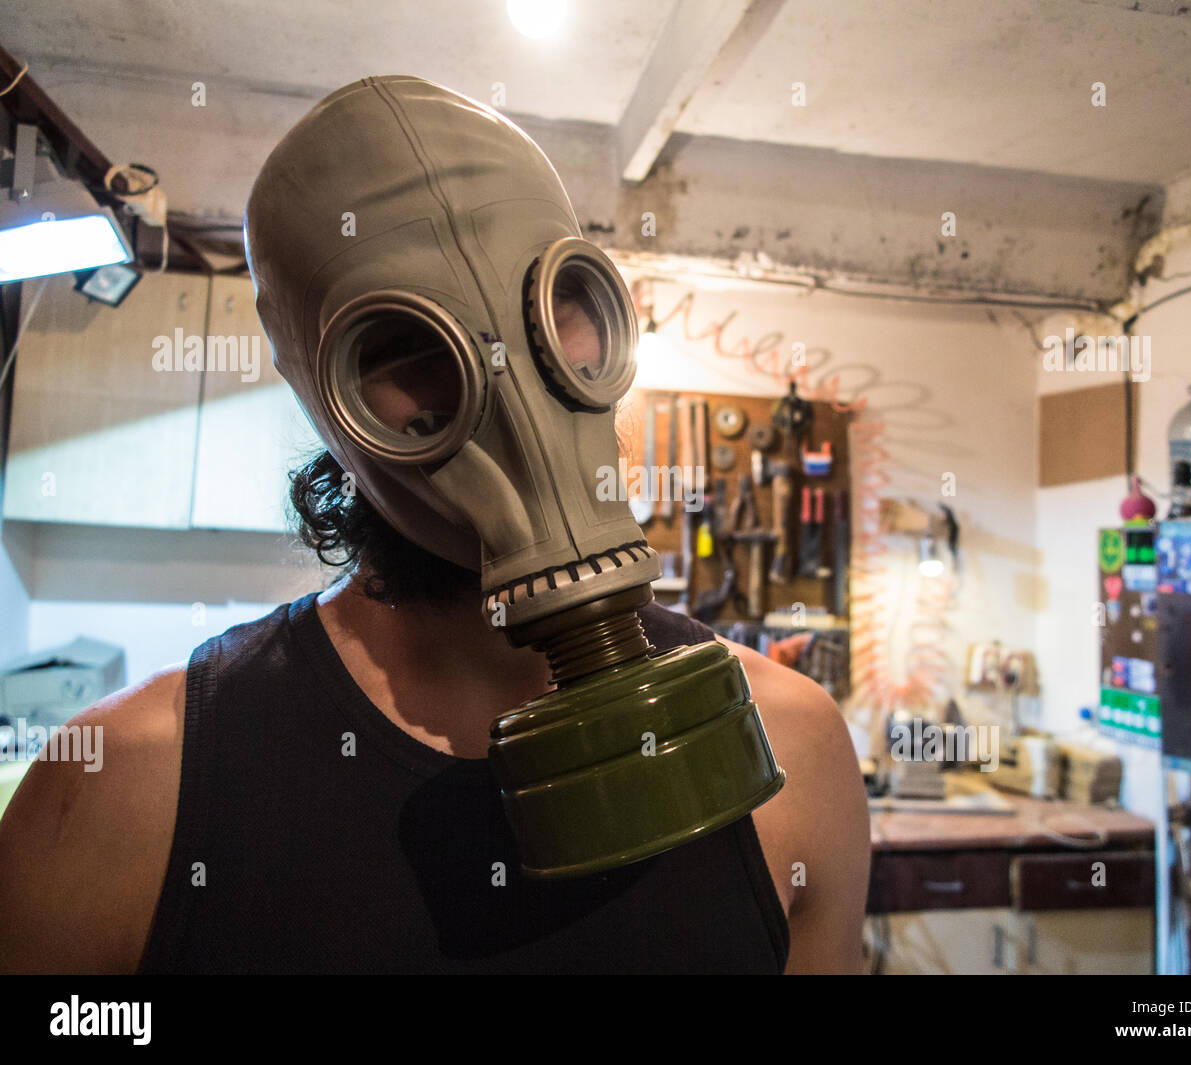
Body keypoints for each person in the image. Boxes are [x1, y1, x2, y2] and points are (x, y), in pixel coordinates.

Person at [0, 76, 869, 974]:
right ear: (328, 408)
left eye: (554, 304)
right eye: (406, 346)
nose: (512, 395)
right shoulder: (124, 792)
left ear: (602, 319)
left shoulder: (795, 752)